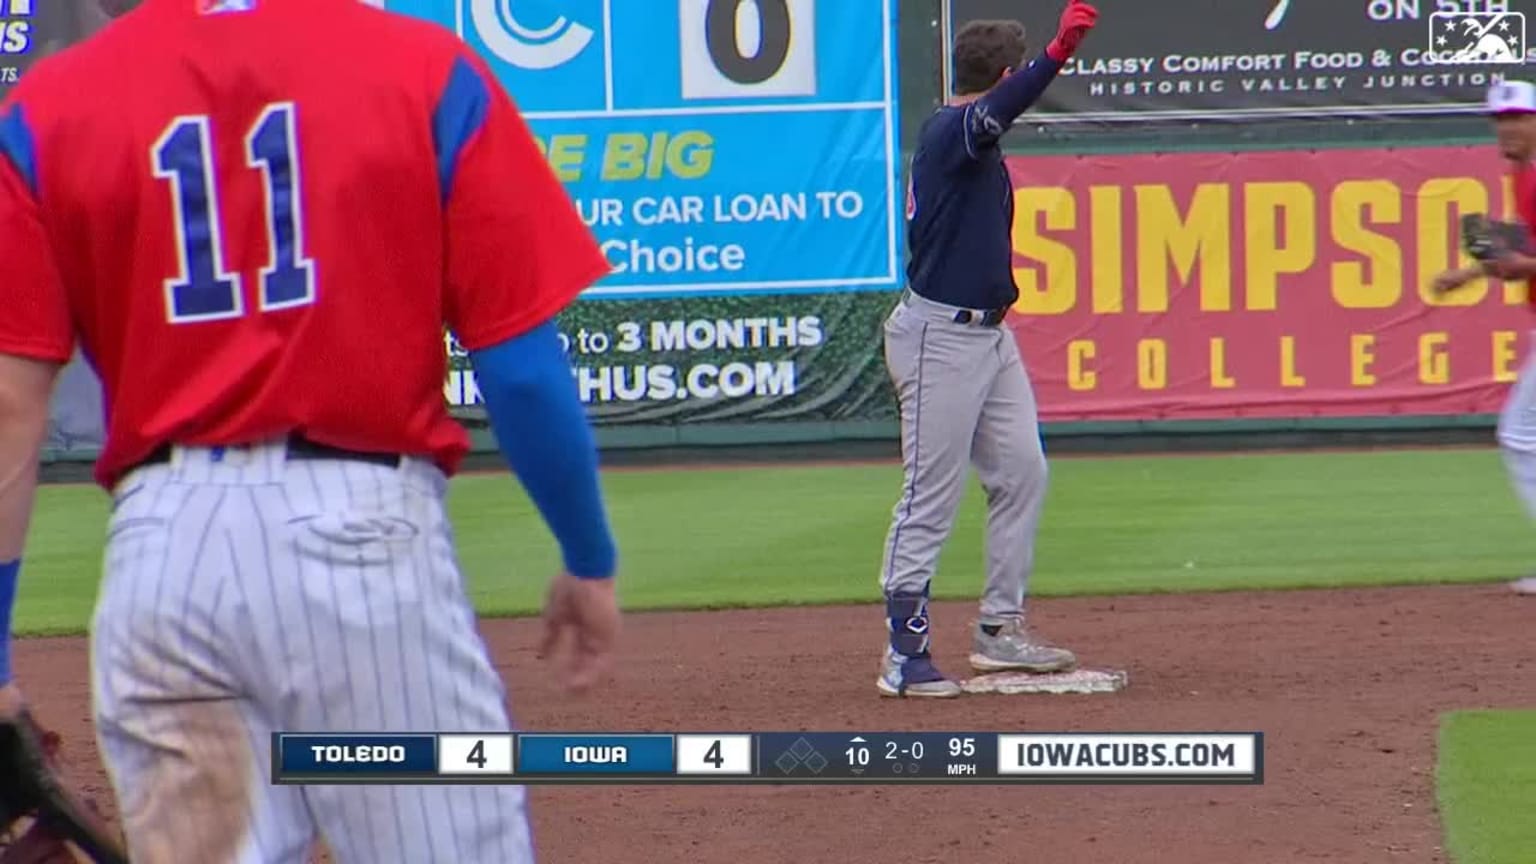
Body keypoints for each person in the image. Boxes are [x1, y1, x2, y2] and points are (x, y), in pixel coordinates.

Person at [0, 0, 622, 861]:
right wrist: (588, 558)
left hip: (159, 558)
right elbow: (519, 371)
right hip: (357, 542)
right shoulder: (425, 69)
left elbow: (7, 408)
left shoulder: (47, 106)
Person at [876, 1, 1097, 698]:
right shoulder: (953, 130)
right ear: (1004, 72)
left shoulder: (965, 136)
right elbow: (995, 112)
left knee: (1022, 472)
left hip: (988, 338)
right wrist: (1057, 54)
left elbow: (994, 115)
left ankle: (1000, 633)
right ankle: (903, 657)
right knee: (927, 498)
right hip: (939, 336)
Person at [1434, 79, 1536, 597]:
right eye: (1500, 119)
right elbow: (1522, 255)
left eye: (1519, 117)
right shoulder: (1522, 176)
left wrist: (1520, 263)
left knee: (1521, 435)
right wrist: (1471, 273)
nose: (1508, 128)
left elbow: (1525, 261)